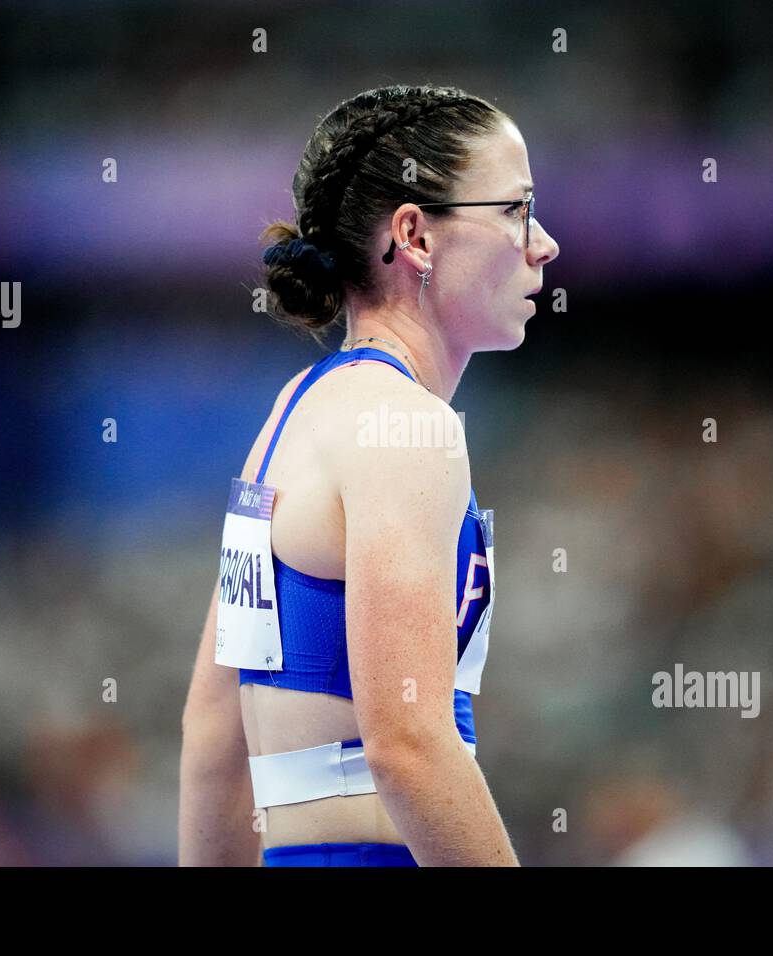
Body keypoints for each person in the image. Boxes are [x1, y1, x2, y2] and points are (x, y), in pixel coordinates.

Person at [179, 83, 558, 867]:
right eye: (516, 210)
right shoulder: (408, 430)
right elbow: (410, 744)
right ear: (415, 236)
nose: (544, 243)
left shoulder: (291, 419)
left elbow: (214, 738)